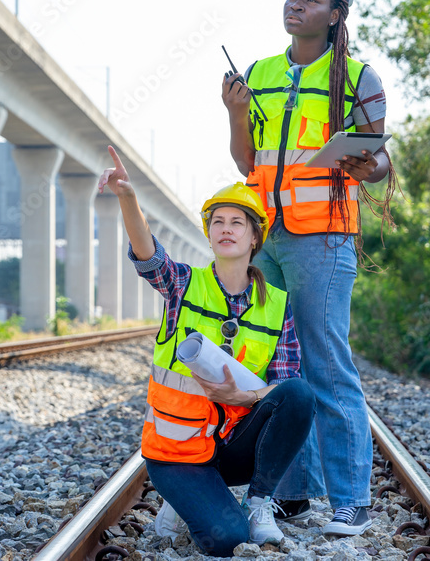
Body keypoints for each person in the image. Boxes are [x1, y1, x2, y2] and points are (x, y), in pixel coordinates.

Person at [220, 0, 396, 537]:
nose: (296, 4)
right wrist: (235, 112)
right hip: (267, 238)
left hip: (324, 241)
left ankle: (350, 500)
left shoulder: (358, 79)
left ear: (336, 13)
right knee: (272, 361)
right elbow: (246, 159)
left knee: (326, 366)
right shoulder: (262, 72)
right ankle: (291, 492)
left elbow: (380, 160)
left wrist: (365, 165)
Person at [97, 145, 316, 556]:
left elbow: (286, 388)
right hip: (176, 451)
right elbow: (149, 256)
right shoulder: (183, 284)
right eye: (218, 221)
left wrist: (243, 397)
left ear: (255, 237)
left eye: (238, 222)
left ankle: (259, 504)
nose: (226, 228)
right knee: (228, 541)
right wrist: (128, 198)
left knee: (301, 395)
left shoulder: (278, 305)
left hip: (232, 446)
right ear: (209, 232)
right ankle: (181, 499)